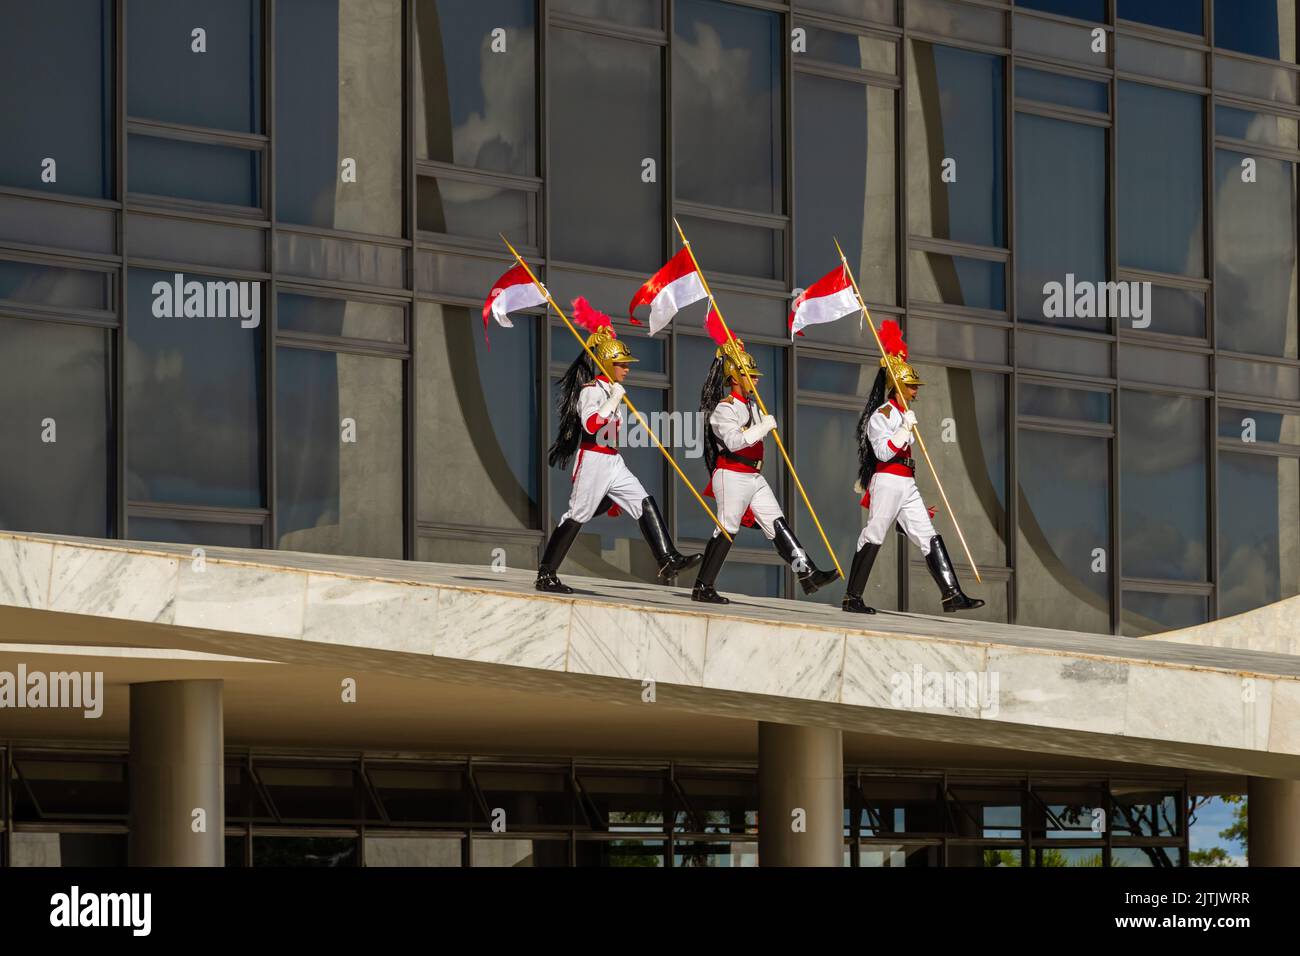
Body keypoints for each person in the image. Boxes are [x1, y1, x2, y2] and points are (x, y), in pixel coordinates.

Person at [536, 298, 701, 593]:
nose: (626, 370)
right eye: (622, 365)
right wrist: (612, 400)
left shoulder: (612, 389)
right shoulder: (591, 392)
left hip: (613, 460)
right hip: (593, 459)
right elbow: (590, 426)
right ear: (608, 364)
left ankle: (667, 557)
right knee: (577, 515)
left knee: (643, 500)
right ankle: (546, 574)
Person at [842, 320, 984, 614]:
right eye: (910, 386)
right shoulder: (881, 416)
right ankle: (852, 597)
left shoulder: (904, 413)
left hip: (906, 481)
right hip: (888, 480)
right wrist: (905, 430)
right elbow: (882, 451)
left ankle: (951, 593)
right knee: (875, 533)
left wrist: (906, 427)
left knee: (927, 532)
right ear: (897, 385)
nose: (915, 391)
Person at [692, 337, 839, 604]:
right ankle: (703, 586)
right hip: (732, 473)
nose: (757, 380)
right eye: (751, 376)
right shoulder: (723, 409)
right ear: (736, 378)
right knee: (727, 528)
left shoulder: (751, 406)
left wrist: (762, 422)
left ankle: (806, 572)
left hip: (753, 476)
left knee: (776, 523)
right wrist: (763, 427)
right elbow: (735, 442)